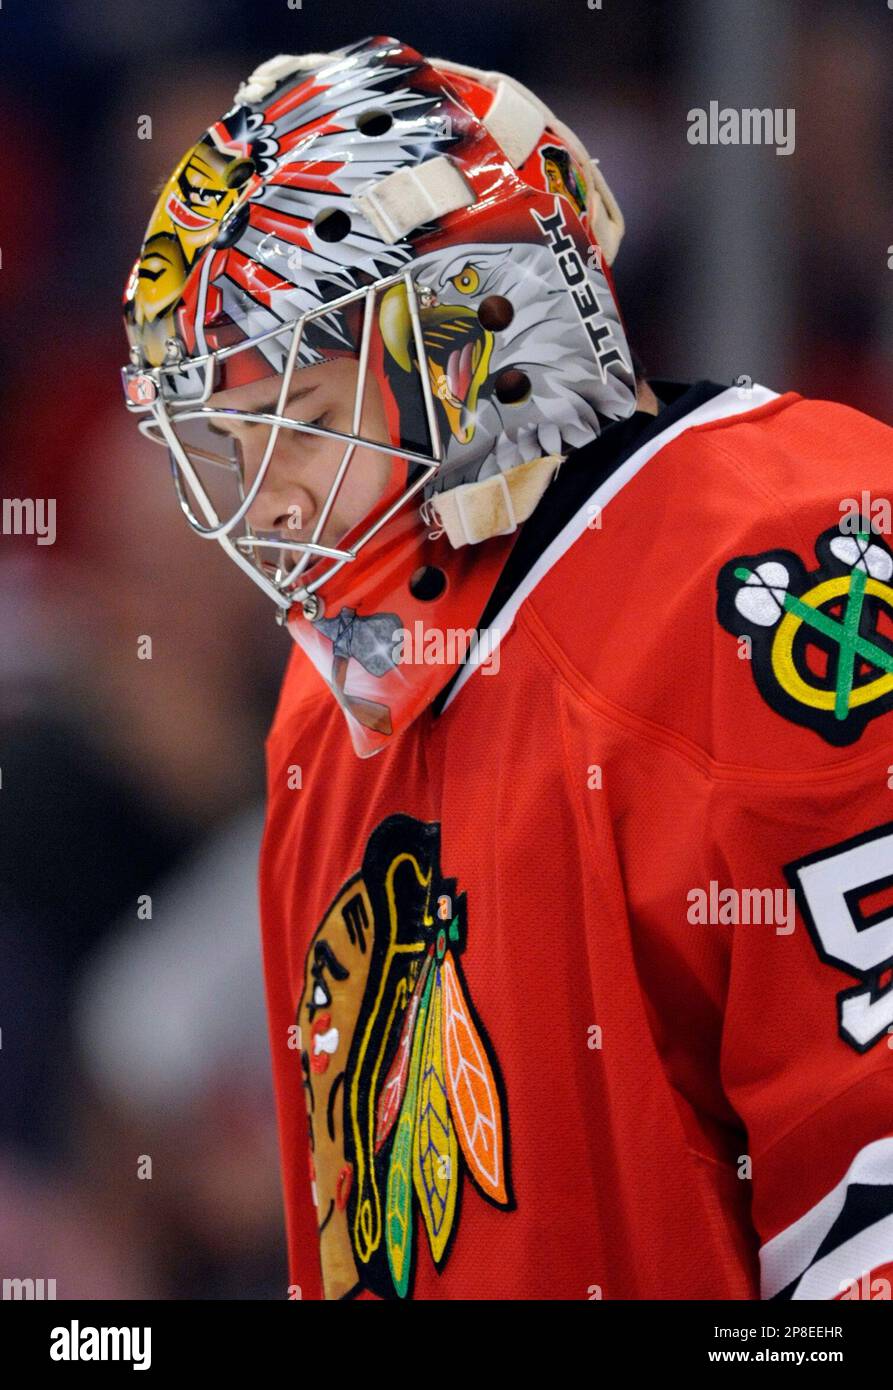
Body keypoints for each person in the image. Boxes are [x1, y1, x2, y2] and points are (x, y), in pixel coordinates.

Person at [120, 35, 893, 1301]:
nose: (262, 505)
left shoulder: (793, 566)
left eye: (302, 423)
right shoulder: (333, 705)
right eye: (222, 443)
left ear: (480, 341)